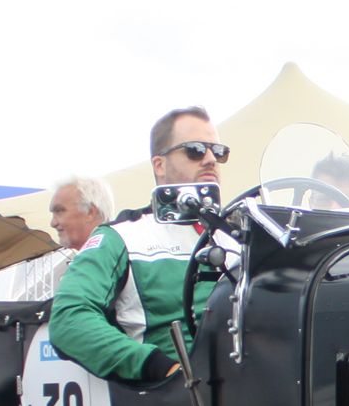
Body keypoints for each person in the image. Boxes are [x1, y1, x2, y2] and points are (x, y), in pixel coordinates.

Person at [48, 107, 222, 381]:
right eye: (195, 150)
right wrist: (158, 367)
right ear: (159, 165)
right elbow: (69, 320)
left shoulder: (240, 235)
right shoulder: (122, 237)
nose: (211, 159)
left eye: (218, 151)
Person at [48, 175, 112, 251]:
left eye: (59, 211)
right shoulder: (116, 250)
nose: (52, 223)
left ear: (90, 212)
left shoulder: (100, 257)